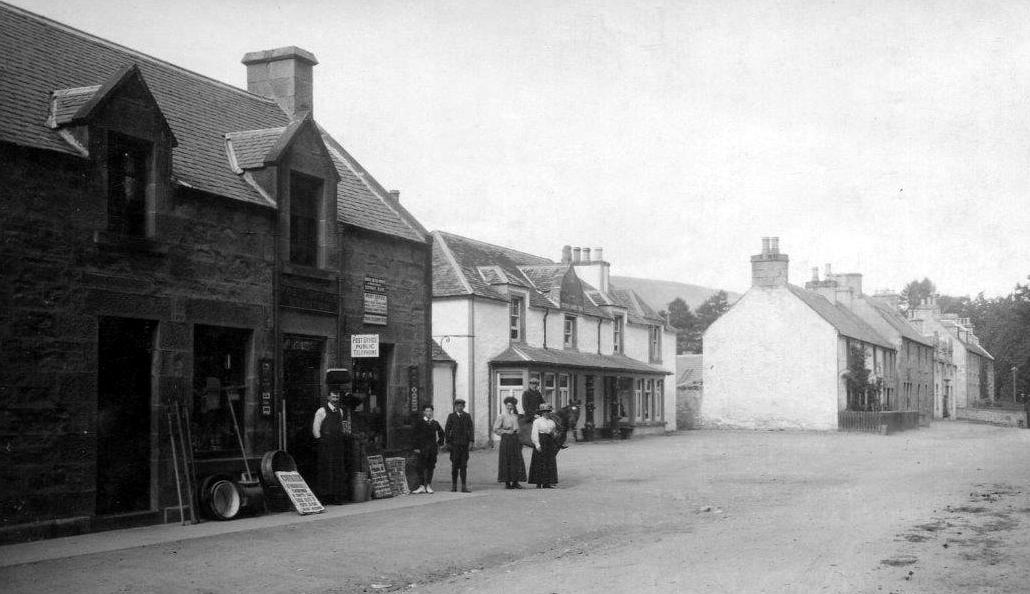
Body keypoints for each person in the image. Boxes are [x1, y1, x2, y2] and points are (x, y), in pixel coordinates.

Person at [311, 390, 349, 504]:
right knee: (326, 470)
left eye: (337, 397)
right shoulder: (321, 411)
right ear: (328, 397)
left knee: (338, 470)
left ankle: (337, 497)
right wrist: (321, 442)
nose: (335, 399)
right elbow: (315, 429)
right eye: (333, 396)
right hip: (326, 445)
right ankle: (324, 497)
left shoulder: (340, 412)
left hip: (337, 445)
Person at [493, 396, 527, 489]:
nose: (509, 407)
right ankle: (507, 482)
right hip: (506, 439)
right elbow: (495, 429)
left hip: (515, 439)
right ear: (505, 406)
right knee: (506, 459)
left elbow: (518, 428)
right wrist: (505, 432)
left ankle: (516, 482)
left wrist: (517, 431)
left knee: (516, 460)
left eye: (511, 406)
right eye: (508, 406)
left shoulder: (515, 416)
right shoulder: (501, 416)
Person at [411, 404, 445, 494]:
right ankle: (421, 486)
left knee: (430, 467)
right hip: (422, 449)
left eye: (430, 411)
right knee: (420, 466)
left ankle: (428, 485)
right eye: (427, 411)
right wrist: (416, 447)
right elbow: (414, 435)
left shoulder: (435, 423)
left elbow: (442, 434)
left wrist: (439, 444)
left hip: (432, 449)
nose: (429, 413)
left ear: (432, 412)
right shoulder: (420, 423)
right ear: (424, 412)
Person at [445, 399, 475, 492]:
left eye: (461, 406)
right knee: (454, 466)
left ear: (464, 407)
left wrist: (471, 441)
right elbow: (447, 430)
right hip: (454, 445)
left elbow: (471, 429)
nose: (460, 407)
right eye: (458, 406)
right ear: (455, 407)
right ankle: (454, 486)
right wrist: (448, 442)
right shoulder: (451, 416)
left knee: (463, 465)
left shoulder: (467, 416)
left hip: (464, 445)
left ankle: (463, 486)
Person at [528, 402, 559, 489]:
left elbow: (553, 432)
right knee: (539, 462)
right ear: (541, 412)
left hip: (549, 442)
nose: (546, 413)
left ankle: (547, 483)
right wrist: (537, 444)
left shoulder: (552, 422)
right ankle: (538, 483)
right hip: (541, 440)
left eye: (548, 411)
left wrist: (555, 434)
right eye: (545, 411)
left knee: (549, 462)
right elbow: (534, 433)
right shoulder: (537, 421)